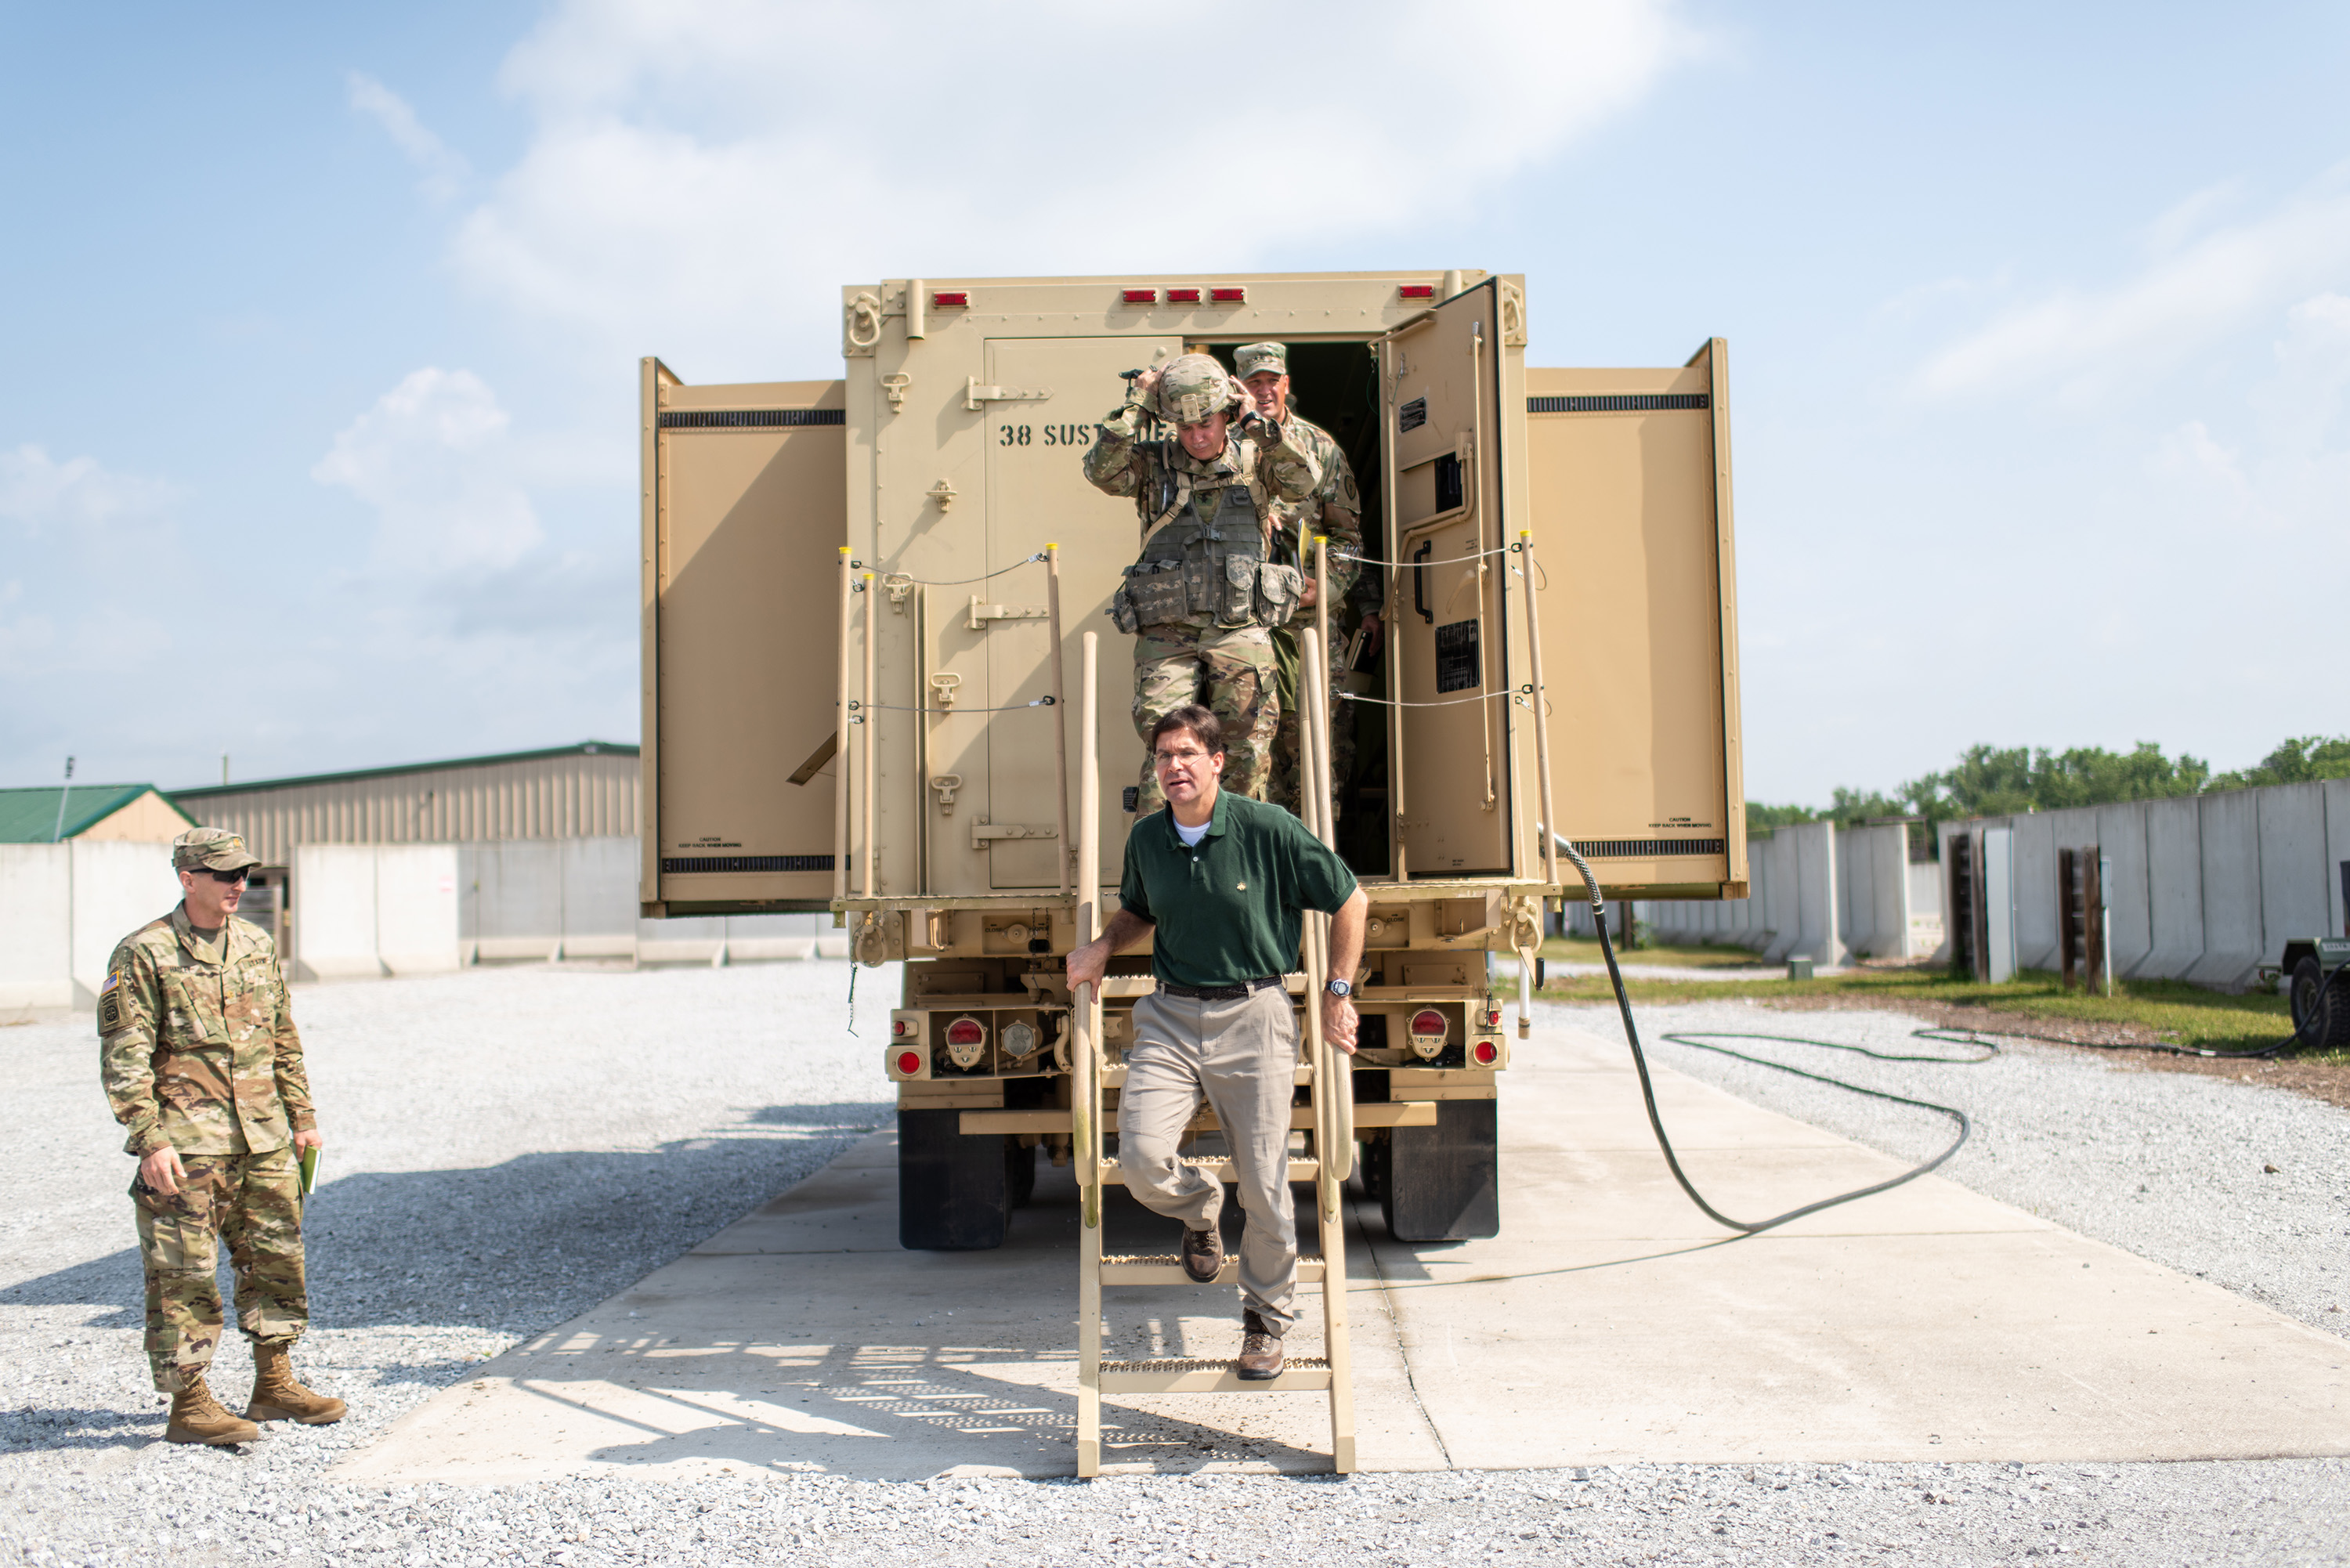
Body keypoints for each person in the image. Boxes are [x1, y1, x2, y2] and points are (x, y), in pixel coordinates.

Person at [1065, 705, 1367, 1378]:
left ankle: (1264, 1323)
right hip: (1170, 1017)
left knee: (1264, 1184)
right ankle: (1200, 1209)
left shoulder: (1268, 828)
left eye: (1186, 754)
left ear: (1217, 761)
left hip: (1254, 1014)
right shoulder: (1147, 838)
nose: (1174, 767)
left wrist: (1336, 991)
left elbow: (1350, 900)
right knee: (1139, 1158)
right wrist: (1102, 948)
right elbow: (1139, 910)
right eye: (1163, 757)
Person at [99, 827, 345, 1445]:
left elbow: (282, 1037)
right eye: (227, 875)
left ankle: (275, 1384)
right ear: (188, 878)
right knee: (183, 1272)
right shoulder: (145, 953)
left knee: (276, 1261)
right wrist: (149, 1138)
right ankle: (191, 1405)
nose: (241, 885)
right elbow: (125, 1056)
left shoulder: (257, 944)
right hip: (187, 1144)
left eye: (246, 875)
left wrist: (303, 1119)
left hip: (262, 1137)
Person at [1083, 352, 1321, 816]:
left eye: (1207, 424)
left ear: (1226, 414)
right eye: (1185, 428)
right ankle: (1160, 872)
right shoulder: (1152, 466)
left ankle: (1239, 866)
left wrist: (1256, 421)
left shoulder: (1258, 458)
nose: (1197, 437)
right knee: (1167, 748)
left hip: (1240, 628)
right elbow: (1100, 470)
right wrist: (1139, 402)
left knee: (1247, 751)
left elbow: (1303, 482)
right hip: (1168, 633)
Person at [1232, 342, 1369, 822]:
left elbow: (1350, 538)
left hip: (1310, 627)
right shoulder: (1222, 443)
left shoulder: (1320, 449)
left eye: (1272, 381)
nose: (1265, 390)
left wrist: (1323, 588)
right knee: (1250, 749)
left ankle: (1317, 865)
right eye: (1254, 382)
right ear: (1240, 388)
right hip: (1243, 627)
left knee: (1317, 747)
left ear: (1287, 383)